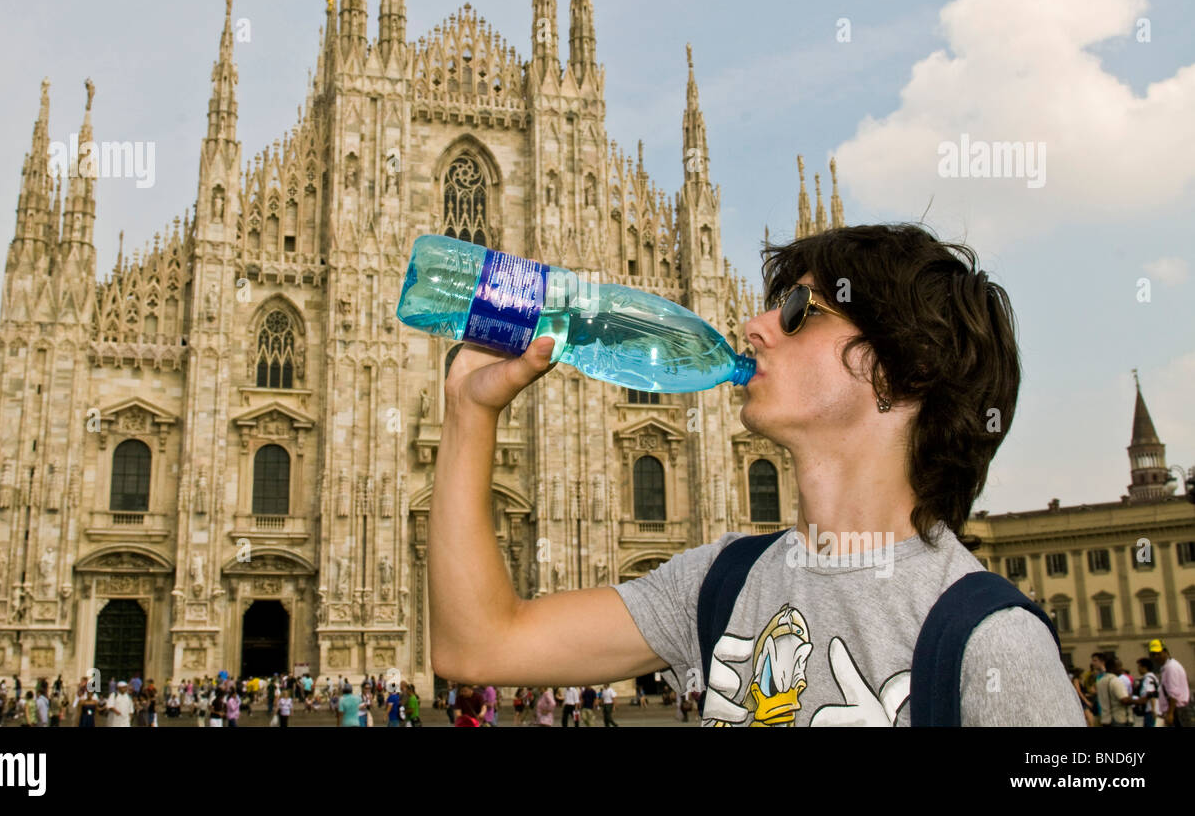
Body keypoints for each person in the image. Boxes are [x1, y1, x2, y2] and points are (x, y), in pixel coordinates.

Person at [430, 223, 1086, 727]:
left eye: (801, 310)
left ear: (898, 371)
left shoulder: (989, 642)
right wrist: (468, 410)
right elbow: (478, 647)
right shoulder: (721, 583)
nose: (754, 324)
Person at [1149, 639, 1190, 727]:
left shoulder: (1171, 668)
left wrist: (1170, 713)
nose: (1156, 657)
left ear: (1165, 652)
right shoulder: (1166, 667)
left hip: (1176, 711)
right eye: (1153, 654)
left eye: (1158, 653)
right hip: (1173, 710)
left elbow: (1173, 692)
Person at [1125, 658, 1160, 727]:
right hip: (1152, 711)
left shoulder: (1148, 679)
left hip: (1150, 711)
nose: (1138, 669)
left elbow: (1151, 693)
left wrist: (1153, 709)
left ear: (1144, 667)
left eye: (1139, 667)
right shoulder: (1152, 677)